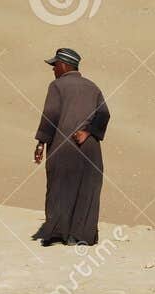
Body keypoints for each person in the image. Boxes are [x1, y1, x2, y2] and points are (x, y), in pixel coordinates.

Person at [32, 48, 110, 246]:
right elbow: (104, 114)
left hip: (63, 146)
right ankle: (81, 236)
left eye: (55, 65)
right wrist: (88, 132)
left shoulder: (57, 85)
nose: (53, 70)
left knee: (60, 187)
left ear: (64, 65)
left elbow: (51, 115)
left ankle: (58, 233)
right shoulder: (93, 87)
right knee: (87, 189)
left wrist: (41, 142)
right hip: (90, 148)